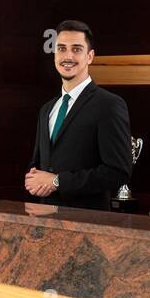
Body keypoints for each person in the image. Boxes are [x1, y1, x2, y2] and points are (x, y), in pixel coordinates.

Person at [25, 20, 132, 210]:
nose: (68, 56)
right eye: (61, 49)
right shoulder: (47, 109)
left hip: (87, 225)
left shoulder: (109, 105)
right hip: (44, 222)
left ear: (90, 56)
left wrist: (58, 181)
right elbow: (41, 165)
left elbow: (117, 172)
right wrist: (33, 179)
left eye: (76, 49)